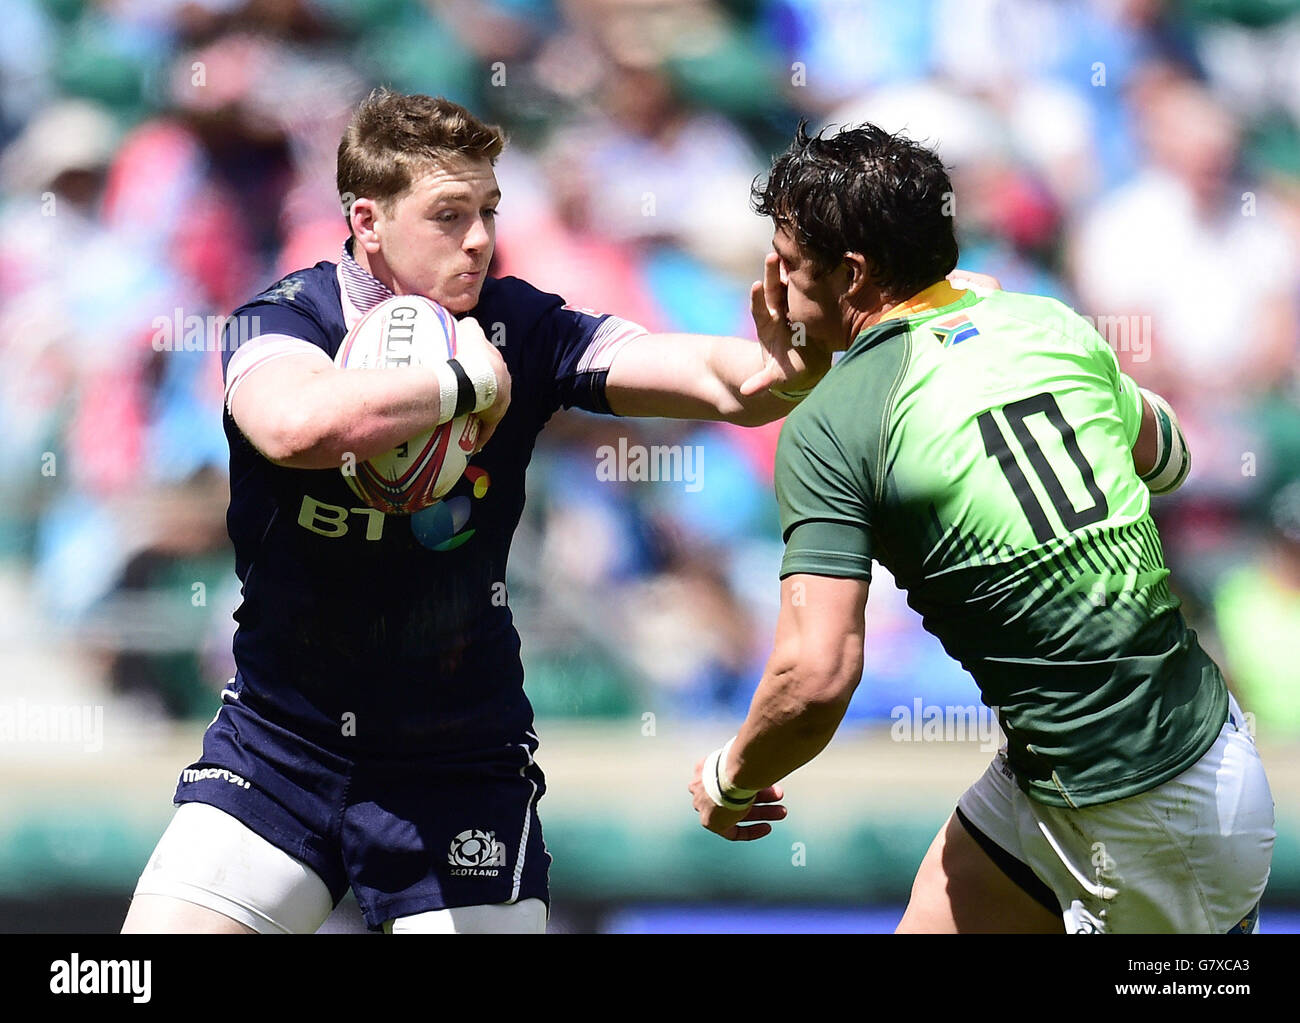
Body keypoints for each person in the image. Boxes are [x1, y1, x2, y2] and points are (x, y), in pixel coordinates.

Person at [119, 89, 832, 935]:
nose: (480, 239)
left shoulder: (520, 323)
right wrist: (465, 382)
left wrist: (784, 365)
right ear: (367, 221)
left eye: (489, 210)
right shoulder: (284, 319)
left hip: (459, 761)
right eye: (450, 215)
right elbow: (294, 425)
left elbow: (720, 379)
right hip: (280, 748)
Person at [689, 122, 1276, 935]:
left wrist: (732, 777)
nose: (776, 289)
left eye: (788, 266)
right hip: (1095, 775)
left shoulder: (831, 423)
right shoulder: (1048, 323)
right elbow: (1167, 458)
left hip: (1142, 811)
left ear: (852, 275)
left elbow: (814, 678)